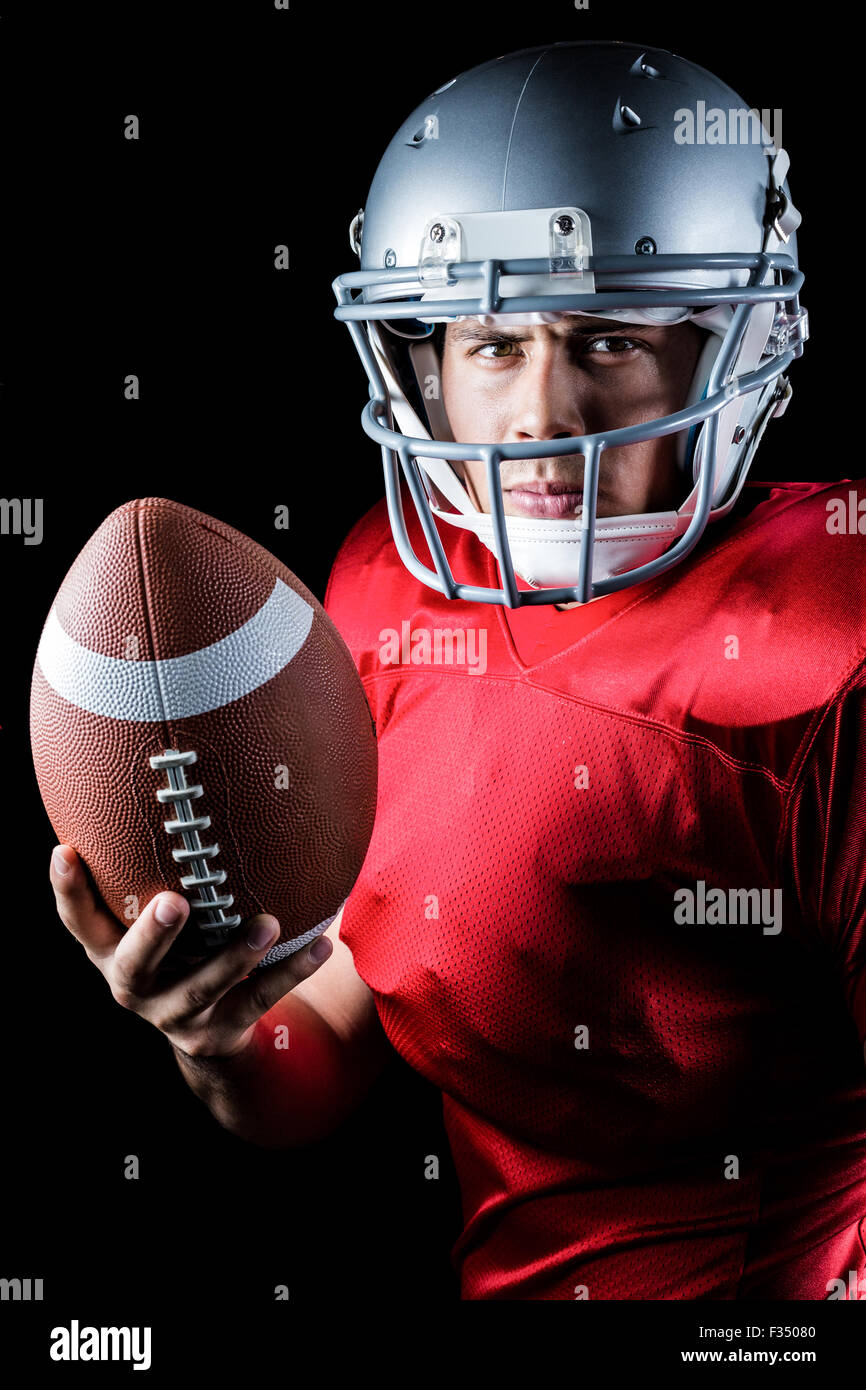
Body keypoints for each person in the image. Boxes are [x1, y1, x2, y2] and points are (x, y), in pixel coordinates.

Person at [52, 42, 866, 1300]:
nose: (537, 413)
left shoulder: (830, 649)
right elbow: (326, 1042)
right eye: (490, 342)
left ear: (732, 347)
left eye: (604, 339)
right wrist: (219, 1035)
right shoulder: (387, 586)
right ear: (423, 359)